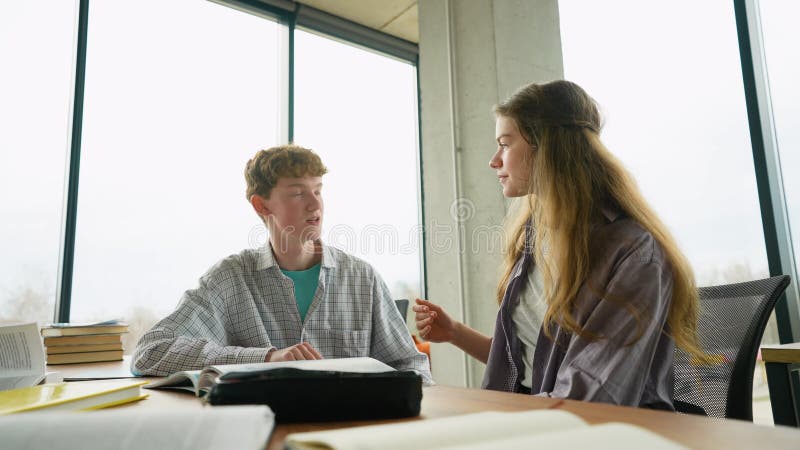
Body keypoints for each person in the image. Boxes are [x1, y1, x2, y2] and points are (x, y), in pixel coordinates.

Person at [413, 80, 704, 409]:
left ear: (546, 148)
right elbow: (533, 364)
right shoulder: (534, 236)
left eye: (505, 144)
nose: (494, 160)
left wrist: (496, 420)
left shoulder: (635, 255)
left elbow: (592, 395)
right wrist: (455, 333)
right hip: (540, 418)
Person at [132, 144, 431, 383]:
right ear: (261, 205)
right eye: (299, 193)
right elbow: (150, 352)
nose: (315, 205)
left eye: (318, 190)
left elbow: (412, 368)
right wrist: (267, 358)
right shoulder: (229, 279)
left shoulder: (362, 278)